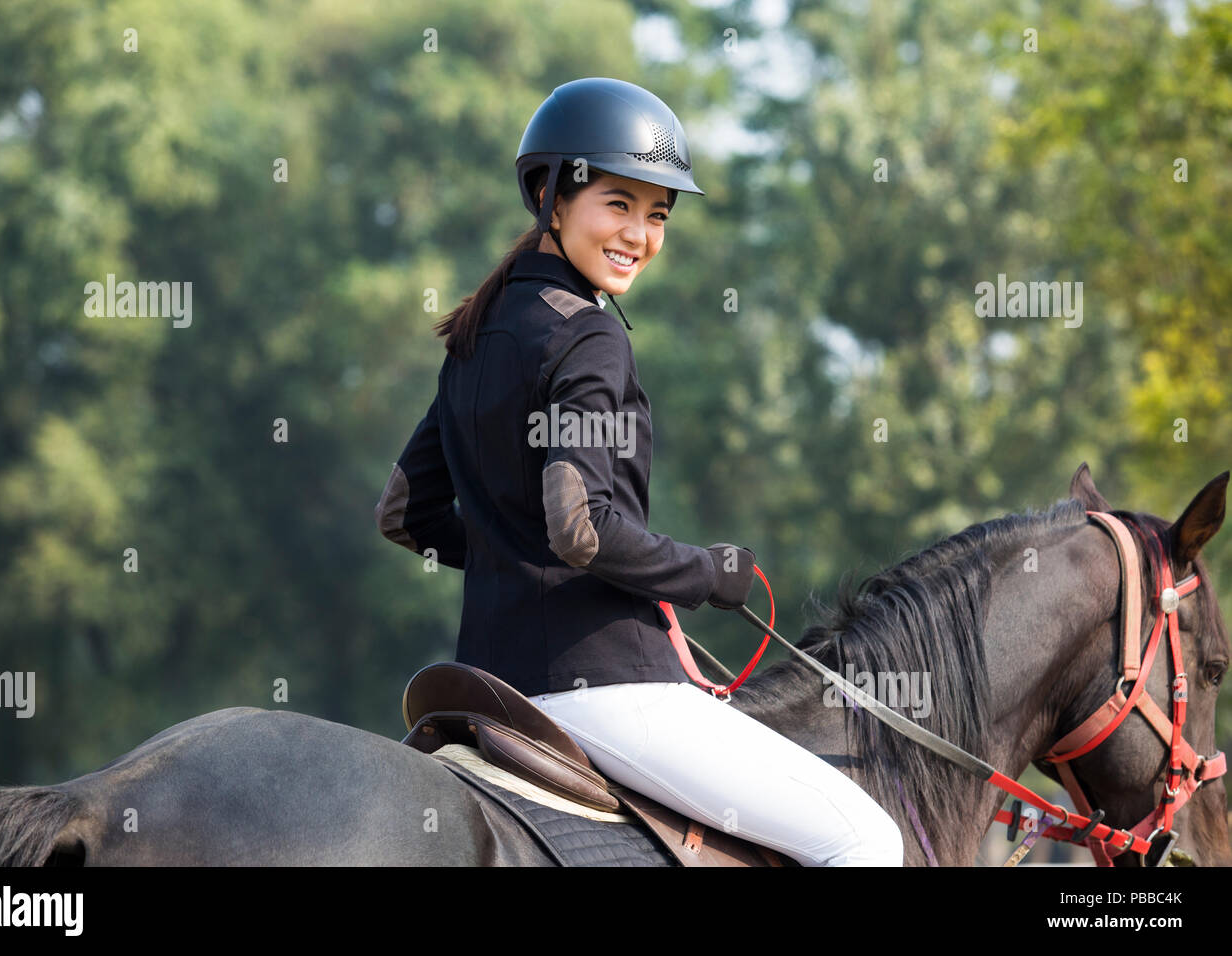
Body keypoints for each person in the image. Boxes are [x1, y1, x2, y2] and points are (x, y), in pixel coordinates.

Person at [376, 77, 903, 866]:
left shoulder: (475, 336)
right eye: (617, 204)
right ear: (552, 198)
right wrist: (710, 572)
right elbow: (581, 530)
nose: (640, 234)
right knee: (865, 841)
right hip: (606, 687)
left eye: (658, 214)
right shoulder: (591, 336)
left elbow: (404, 516)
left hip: (492, 680)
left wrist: (509, 556)